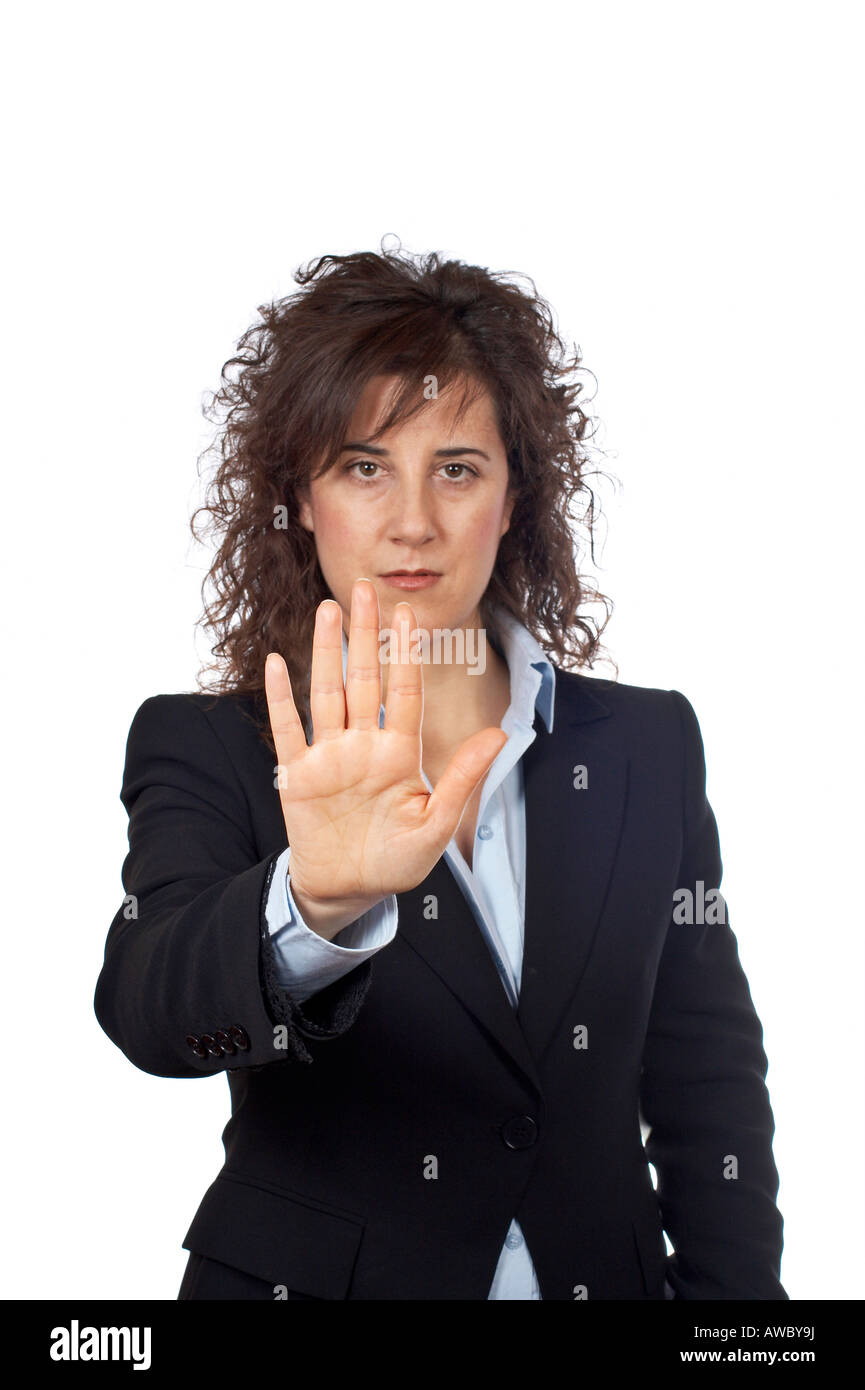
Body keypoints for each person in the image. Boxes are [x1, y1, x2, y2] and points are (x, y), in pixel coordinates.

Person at [94, 243, 787, 1300]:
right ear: (302, 500)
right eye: (364, 466)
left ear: (514, 498)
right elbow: (154, 1013)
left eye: (456, 468)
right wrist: (315, 899)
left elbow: (706, 1082)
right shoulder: (212, 744)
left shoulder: (647, 745)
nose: (412, 522)